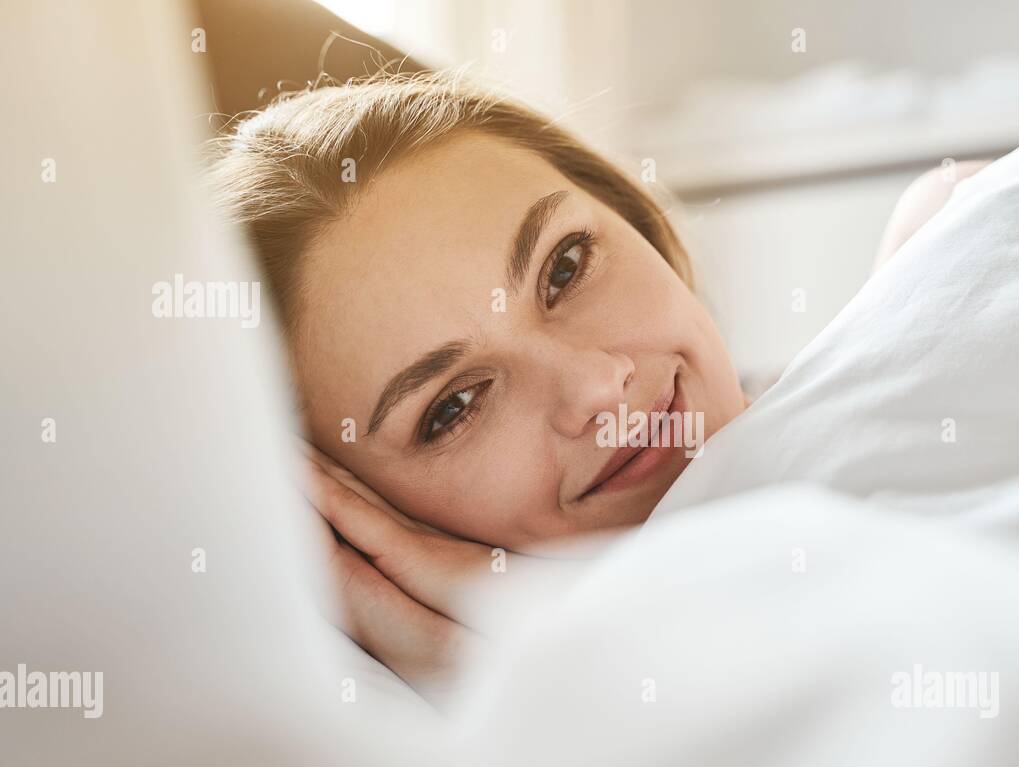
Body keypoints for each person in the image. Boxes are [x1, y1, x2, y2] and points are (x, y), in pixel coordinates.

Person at [208, 71, 978, 690]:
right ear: (348, 517)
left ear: (631, 216)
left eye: (565, 267)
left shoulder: (957, 243)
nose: (595, 390)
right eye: (453, 407)